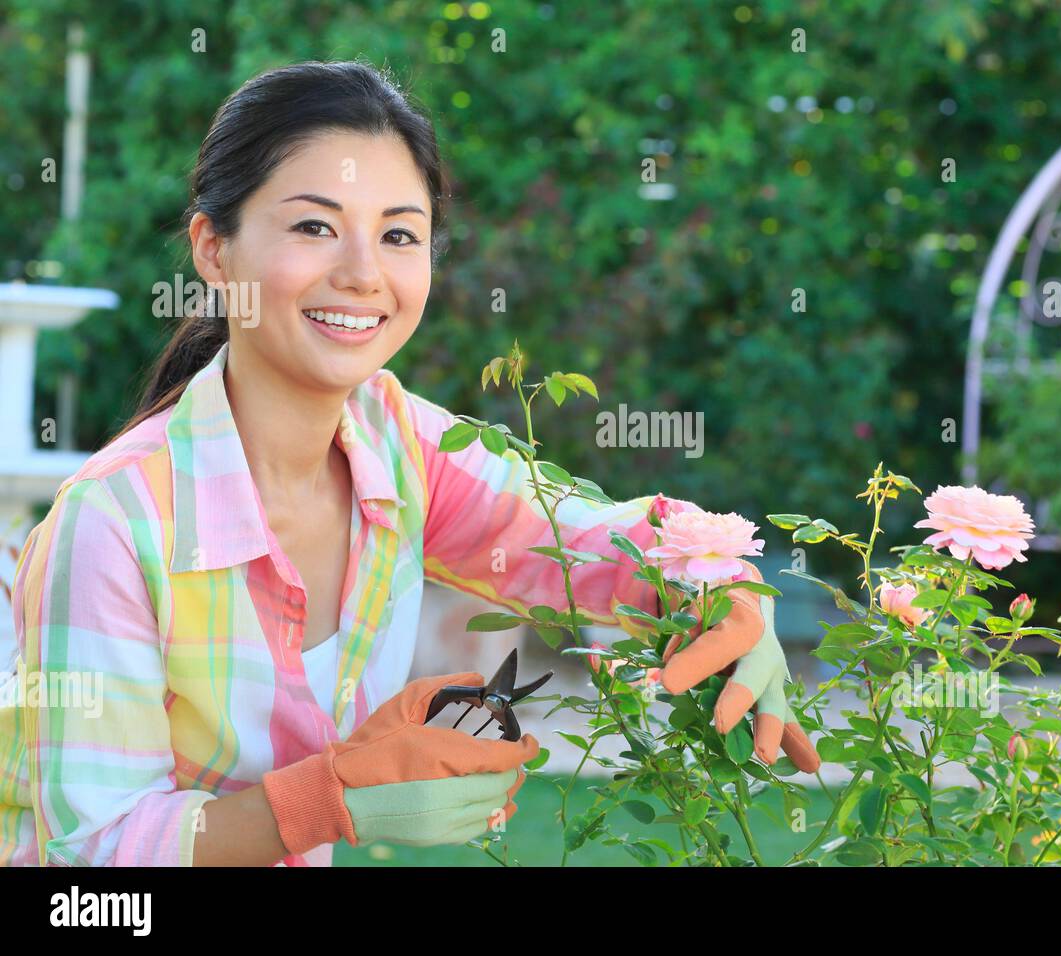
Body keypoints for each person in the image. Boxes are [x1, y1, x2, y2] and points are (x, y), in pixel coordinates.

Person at [0, 60, 817, 868]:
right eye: (314, 226)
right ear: (214, 251)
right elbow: (96, 863)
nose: (362, 274)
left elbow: (595, 547)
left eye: (398, 234)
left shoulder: (397, 446)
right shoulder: (114, 521)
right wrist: (328, 796)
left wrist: (717, 586)